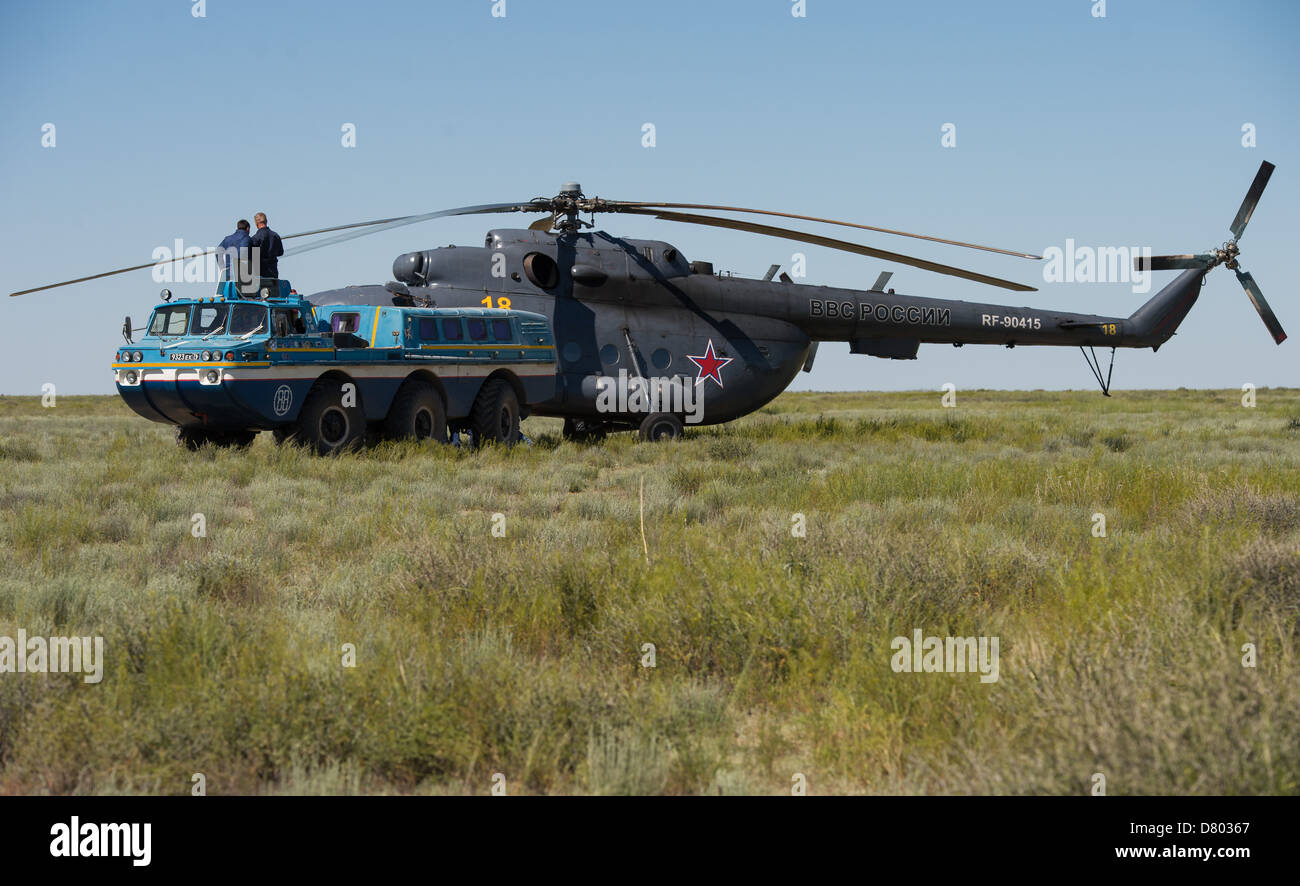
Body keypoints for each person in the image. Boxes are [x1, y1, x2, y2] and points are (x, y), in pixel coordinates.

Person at [248, 212, 285, 280]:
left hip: (260, 274)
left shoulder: (255, 238)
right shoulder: (275, 236)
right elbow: (280, 252)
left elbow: (252, 256)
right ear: (266, 221)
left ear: (256, 223)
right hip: (273, 273)